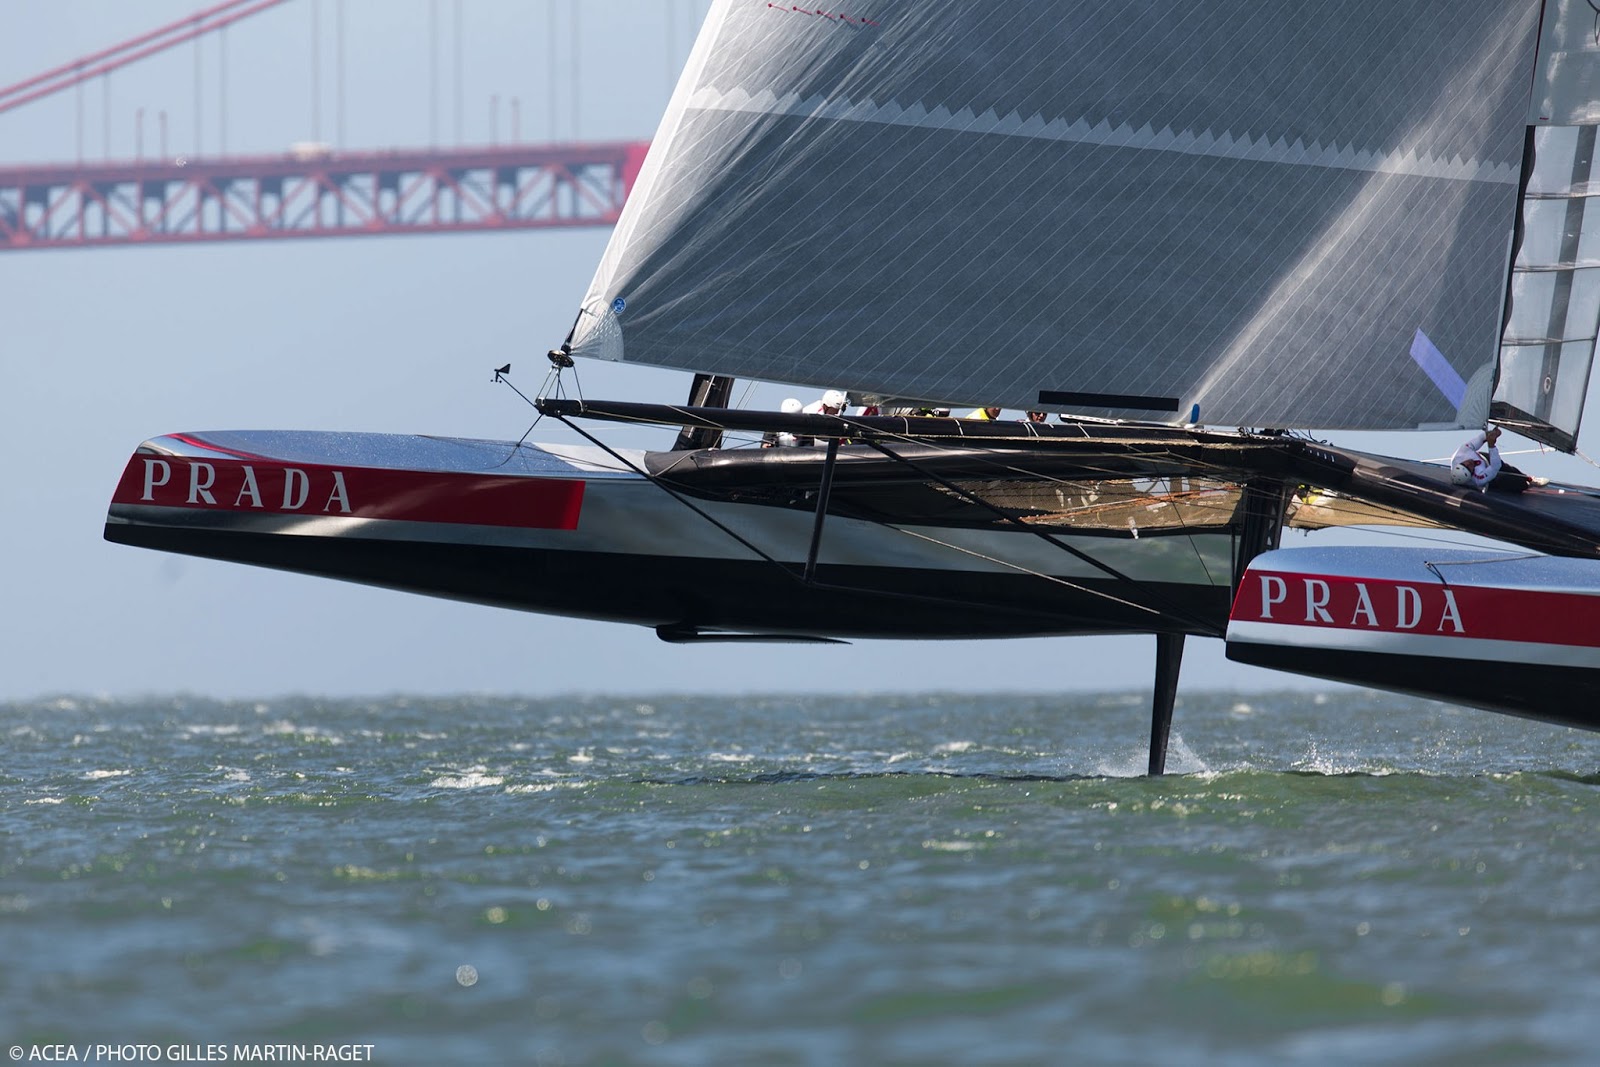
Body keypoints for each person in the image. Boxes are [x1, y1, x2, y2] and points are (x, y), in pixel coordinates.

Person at [1449, 426, 1537, 492]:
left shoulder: (1459, 455)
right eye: (1468, 468)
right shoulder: (1478, 479)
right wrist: (1491, 445)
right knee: (1506, 481)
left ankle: (1529, 478)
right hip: (1490, 477)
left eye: (1464, 464)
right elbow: (1495, 467)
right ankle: (1526, 485)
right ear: (1471, 474)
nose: (1468, 463)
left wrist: (1492, 434)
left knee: (1505, 466)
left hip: (1482, 458)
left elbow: (1480, 439)